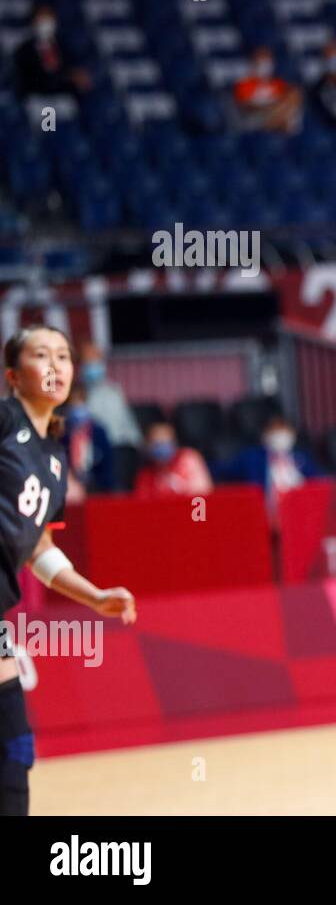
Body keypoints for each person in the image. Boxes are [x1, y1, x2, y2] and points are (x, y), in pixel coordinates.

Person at [1, 326, 136, 816]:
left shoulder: (55, 461)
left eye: (63, 355)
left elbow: (40, 549)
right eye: (41, 355)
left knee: (15, 750)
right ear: (14, 376)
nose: (55, 365)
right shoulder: (3, 419)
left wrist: (94, 596)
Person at [11, 5, 91, 100]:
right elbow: (26, 82)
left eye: (49, 18)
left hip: (63, 101)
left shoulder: (65, 48)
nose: (46, 23)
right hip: (36, 102)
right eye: (41, 19)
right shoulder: (24, 51)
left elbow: (74, 74)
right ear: (33, 22)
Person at [76, 340, 141, 447]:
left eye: (96, 360)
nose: (93, 365)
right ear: (80, 365)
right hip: (89, 450)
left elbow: (130, 427)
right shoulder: (73, 393)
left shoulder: (114, 391)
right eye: (88, 361)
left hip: (118, 447)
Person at [60, 382, 114, 498]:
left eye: (81, 402)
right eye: (73, 403)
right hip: (71, 487)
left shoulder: (99, 432)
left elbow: (108, 468)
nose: (77, 406)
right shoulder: (62, 434)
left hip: (97, 487)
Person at [133, 421, 213, 498]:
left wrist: (180, 488)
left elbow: (203, 492)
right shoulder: (145, 474)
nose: (161, 448)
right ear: (148, 446)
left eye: (165, 442)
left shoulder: (188, 459)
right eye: (156, 443)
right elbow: (143, 503)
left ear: (174, 443)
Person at [233, 47, 302, 133]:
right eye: (261, 61)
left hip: (277, 115)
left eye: (267, 61)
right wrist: (271, 107)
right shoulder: (244, 83)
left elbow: (291, 100)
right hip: (254, 118)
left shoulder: (278, 83)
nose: (264, 65)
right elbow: (245, 107)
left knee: (294, 95)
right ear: (253, 63)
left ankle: (283, 129)